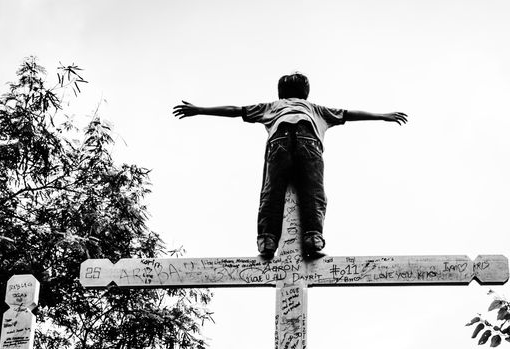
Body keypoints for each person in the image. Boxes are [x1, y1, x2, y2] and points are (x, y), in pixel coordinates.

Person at [173, 73, 407, 259]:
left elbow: (235, 111)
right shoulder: (316, 109)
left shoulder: (273, 106)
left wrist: (199, 110)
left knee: (272, 191)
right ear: (305, 93)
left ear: (281, 92)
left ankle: (267, 241)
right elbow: (349, 114)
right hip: (309, 141)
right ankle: (313, 239)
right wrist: (382, 116)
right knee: (313, 192)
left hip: (279, 141)